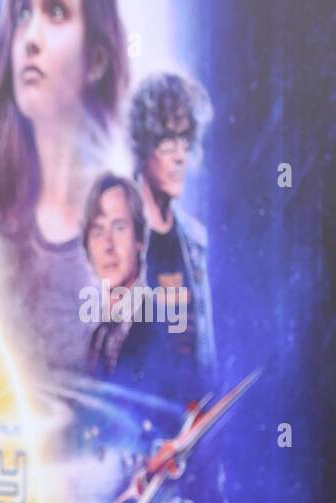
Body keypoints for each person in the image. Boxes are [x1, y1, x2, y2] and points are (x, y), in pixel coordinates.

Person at [0, 0, 129, 377]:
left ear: (96, 61)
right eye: (23, 15)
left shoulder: (130, 235)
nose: (30, 39)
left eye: (56, 13)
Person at [128, 71, 218, 399]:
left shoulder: (195, 241)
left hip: (188, 428)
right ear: (143, 145)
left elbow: (203, 353)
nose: (180, 156)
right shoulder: (113, 233)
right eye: (168, 141)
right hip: (136, 428)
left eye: (186, 142)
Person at [80, 172, 151, 383]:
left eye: (119, 227)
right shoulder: (98, 336)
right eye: (97, 232)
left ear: (139, 239)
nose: (107, 245)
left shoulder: (163, 327)